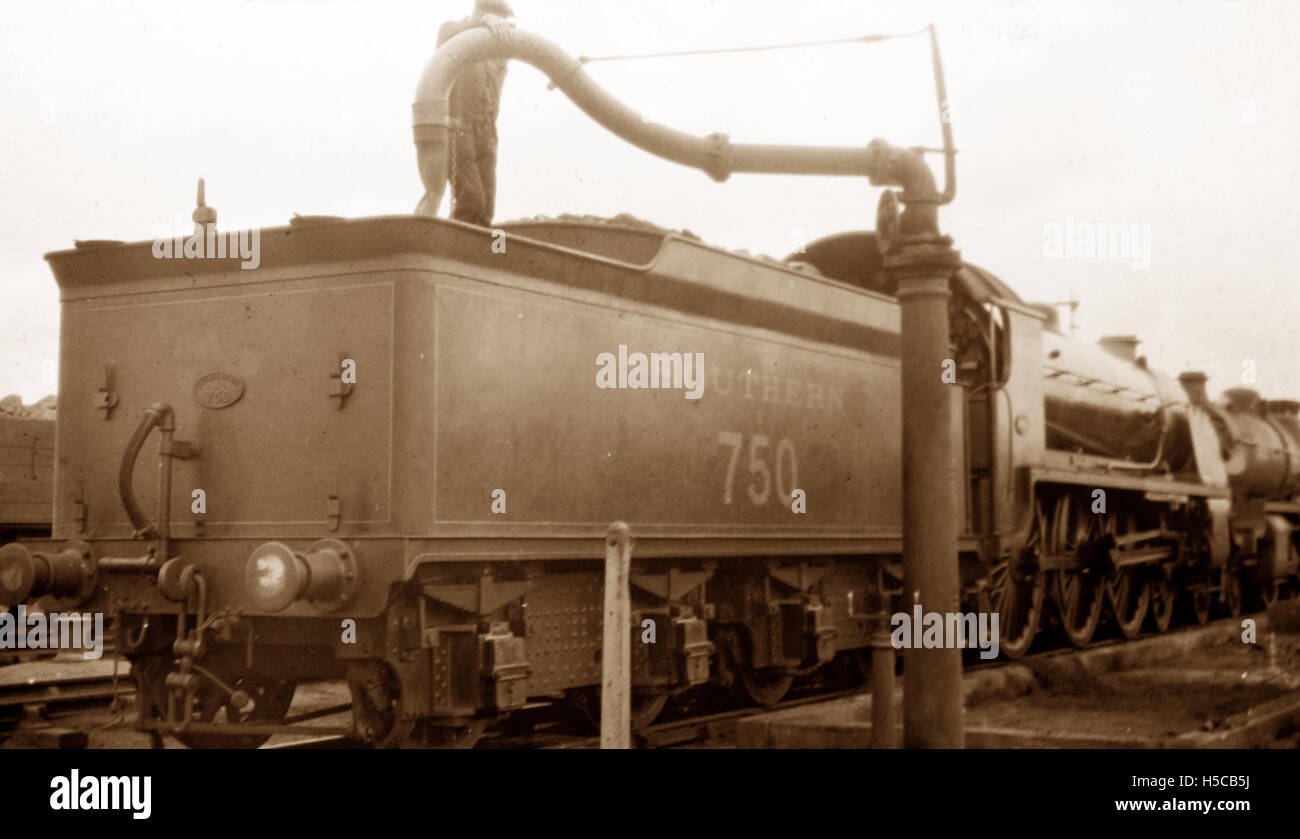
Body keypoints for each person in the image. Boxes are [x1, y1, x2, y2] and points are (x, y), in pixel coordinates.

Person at [438, 0, 515, 227]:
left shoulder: (500, 52)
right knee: (472, 200)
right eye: (496, 18)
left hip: (487, 133)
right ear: (480, 12)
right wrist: (480, 23)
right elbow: (447, 34)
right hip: (459, 129)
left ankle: (494, 253)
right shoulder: (453, 32)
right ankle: (455, 253)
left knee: (487, 208)